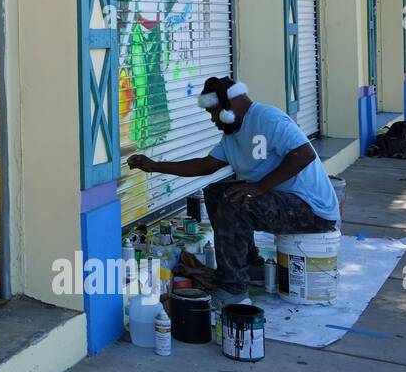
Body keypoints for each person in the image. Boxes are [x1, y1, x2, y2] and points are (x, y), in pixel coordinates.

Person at [127, 76, 340, 308]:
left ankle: (233, 288)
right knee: (217, 193)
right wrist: (156, 165)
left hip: (311, 210)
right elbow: (205, 165)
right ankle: (251, 266)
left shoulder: (267, 118)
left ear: (227, 106)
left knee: (234, 204)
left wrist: (259, 187)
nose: (212, 120)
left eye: (212, 112)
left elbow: (304, 154)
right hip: (285, 203)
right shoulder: (232, 136)